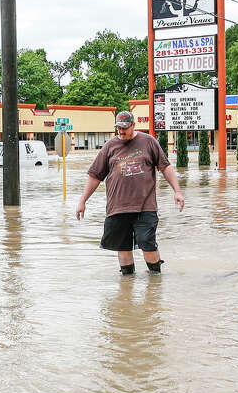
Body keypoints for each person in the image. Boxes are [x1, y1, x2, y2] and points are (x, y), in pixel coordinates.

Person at [76, 110, 184, 275]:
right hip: (117, 207)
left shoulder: (148, 142)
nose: (121, 131)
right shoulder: (109, 146)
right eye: (119, 127)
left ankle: (155, 282)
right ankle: (127, 286)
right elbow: (95, 176)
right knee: (123, 247)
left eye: (125, 127)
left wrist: (177, 191)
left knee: (146, 242)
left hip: (145, 206)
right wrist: (82, 201)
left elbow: (165, 167)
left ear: (134, 125)